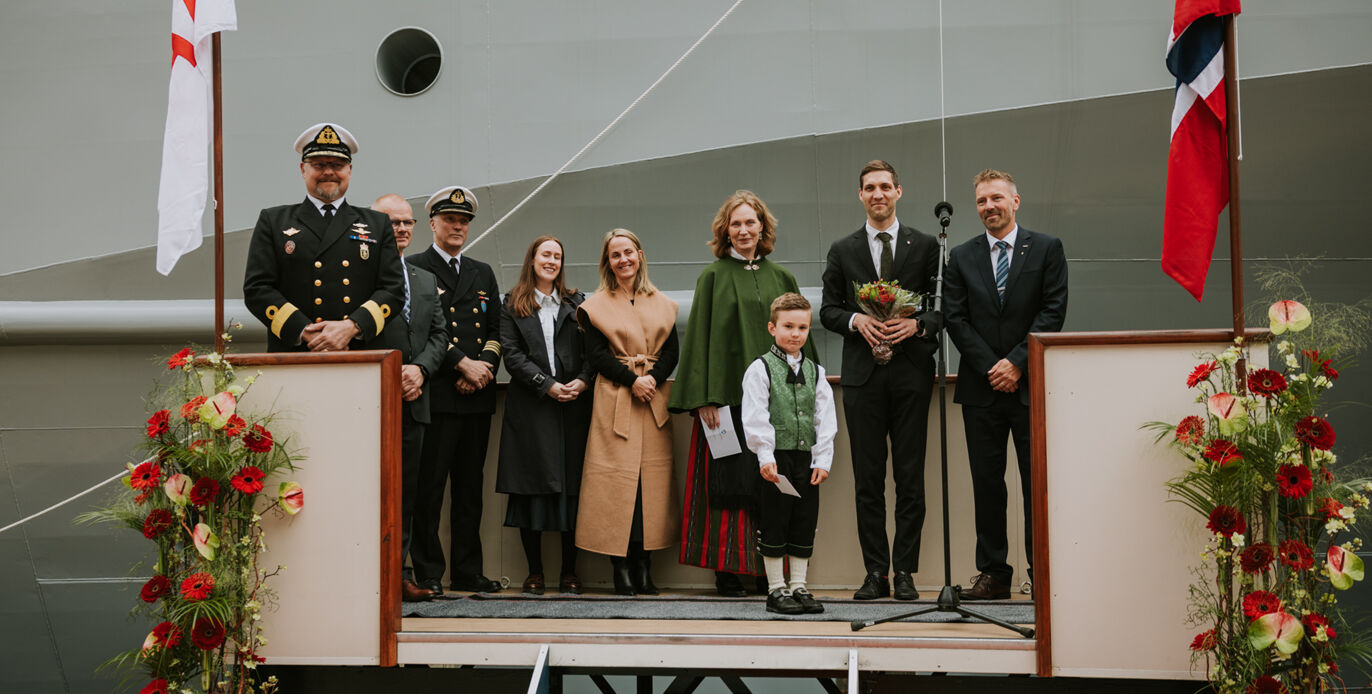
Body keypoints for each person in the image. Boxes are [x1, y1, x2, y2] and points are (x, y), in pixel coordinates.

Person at [669, 190, 813, 597]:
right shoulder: (712, 277)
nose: (744, 230)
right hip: (726, 401)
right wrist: (705, 397)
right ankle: (727, 569)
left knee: (771, 485)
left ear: (763, 228)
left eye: (751, 222)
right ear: (725, 231)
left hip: (778, 403)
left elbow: (801, 337)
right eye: (736, 224)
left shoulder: (781, 278)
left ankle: (766, 573)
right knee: (729, 487)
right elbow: (699, 339)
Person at [944, 169, 1068, 600]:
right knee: (987, 486)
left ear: (1016, 201)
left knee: (1037, 484)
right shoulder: (960, 256)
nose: (989, 207)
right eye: (981, 201)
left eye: (996, 198)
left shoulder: (1047, 249)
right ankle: (994, 574)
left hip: (1030, 387)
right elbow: (955, 320)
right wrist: (992, 368)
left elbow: (1052, 313)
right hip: (981, 392)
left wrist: (1016, 364)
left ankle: (1042, 572)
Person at [820, 159, 940, 601]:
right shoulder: (843, 248)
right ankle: (876, 573)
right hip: (862, 378)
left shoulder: (927, 245)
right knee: (868, 480)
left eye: (885, 187)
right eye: (870, 188)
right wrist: (855, 320)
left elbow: (941, 306)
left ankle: (905, 571)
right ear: (860, 195)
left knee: (910, 477)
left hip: (911, 375)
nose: (878, 194)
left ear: (898, 192)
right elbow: (828, 309)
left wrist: (918, 325)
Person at [406, 186, 504, 594]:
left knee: (469, 492)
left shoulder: (482, 272)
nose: (458, 227)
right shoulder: (416, 267)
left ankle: (468, 570)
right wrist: (460, 363)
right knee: (429, 490)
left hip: (477, 397)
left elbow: (497, 331)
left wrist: (483, 369)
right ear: (433, 224)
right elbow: (423, 330)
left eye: (463, 221)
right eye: (450, 220)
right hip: (438, 396)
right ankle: (429, 572)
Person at [575, 229, 680, 596]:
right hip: (616, 397)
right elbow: (597, 354)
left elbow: (671, 352)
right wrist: (632, 380)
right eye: (615, 254)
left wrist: (651, 379)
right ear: (608, 262)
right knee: (616, 486)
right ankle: (619, 568)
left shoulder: (662, 303)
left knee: (649, 487)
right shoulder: (596, 305)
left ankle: (644, 566)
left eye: (628, 252)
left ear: (639, 254)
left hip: (652, 400)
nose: (623, 260)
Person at [243, 123, 404, 354]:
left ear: (349, 170)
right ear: (303, 169)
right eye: (319, 165)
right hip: (297, 354)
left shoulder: (377, 224)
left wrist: (352, 326)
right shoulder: (274, 221)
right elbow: (257, 288)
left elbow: (394, 289)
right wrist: (303, 330)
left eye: (337, 165)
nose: (328, 172)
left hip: (359, 354)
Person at [496, 236, 594, 595]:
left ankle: (570, 572)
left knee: (572, 489)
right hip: (532, 408)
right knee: (530, 489)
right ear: (532, 259)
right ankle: (535, 572)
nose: (551, 261)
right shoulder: (512, 303)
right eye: (545, 255)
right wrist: (547, 384)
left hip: (573, 408)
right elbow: (511, 354)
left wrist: (581, 383)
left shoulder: (576, 303)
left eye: (557, 256)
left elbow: (592, 353)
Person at [371, 194, 448, 603]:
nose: (401, 228)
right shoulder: (360, 278)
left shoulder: (421, 278)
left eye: (407, 222)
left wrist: (419, 369)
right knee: (368, 491)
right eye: (392, 221)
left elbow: (439, 335)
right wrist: (390, 371)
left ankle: (398, 576)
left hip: (414, 400)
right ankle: (370, 575)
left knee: (407, 494)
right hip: (371, 402)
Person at [741, 293, 836, 615]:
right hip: (776, 458)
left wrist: (823, 459)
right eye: (788, 326)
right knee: (775, 519)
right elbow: (755, 415)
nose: (795, 334)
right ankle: (775, 588)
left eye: (802, 327)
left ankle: (798, 585)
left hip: (805, 458)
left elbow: (825, 419)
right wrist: (765, 456)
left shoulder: (816, 372)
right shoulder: (760, 368)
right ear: (772, 328)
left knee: (804, 520)